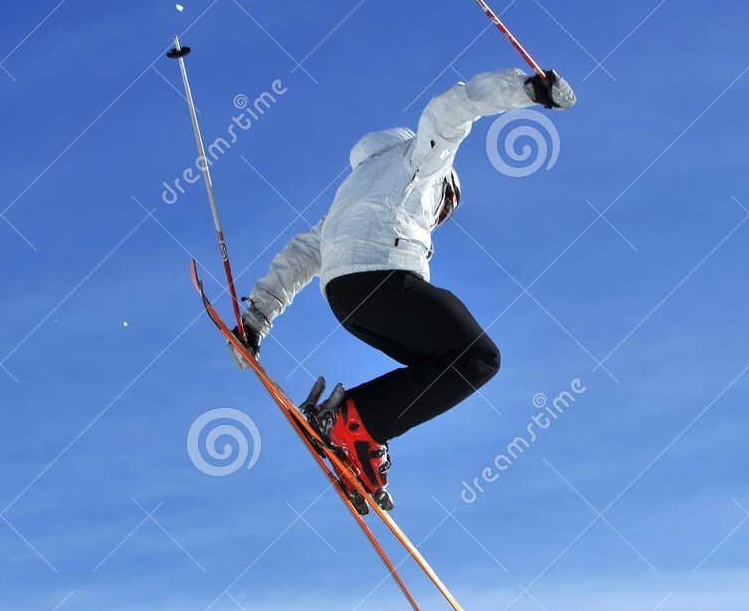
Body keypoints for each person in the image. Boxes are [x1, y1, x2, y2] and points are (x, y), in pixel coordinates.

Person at [232, 67, 576, 510]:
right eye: (447, 208)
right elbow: (448, 111)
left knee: (441, 362)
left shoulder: (348, 196)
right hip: (384, 277)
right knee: (478, 357)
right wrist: (529, 91)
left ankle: (351, 427)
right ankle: (355, 422)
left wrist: (256, 317)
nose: (440, 218)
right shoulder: (421, 161)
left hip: (346, 299)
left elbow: (302, 252)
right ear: (447, 189)